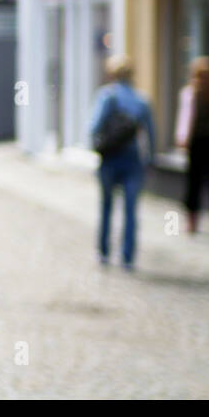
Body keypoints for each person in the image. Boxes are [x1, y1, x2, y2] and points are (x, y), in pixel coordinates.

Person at [89, 54, 155, 270]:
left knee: (106, 206)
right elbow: (151, 136)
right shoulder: (142, 100)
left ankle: (104, 252)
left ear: (112, 74)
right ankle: (127, 258)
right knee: (131, 210)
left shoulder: (107, 96)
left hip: (110, 160)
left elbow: (93, 127)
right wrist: (149, 161)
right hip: (132, 160)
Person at [175, 56, 209, 237]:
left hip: (198, 142)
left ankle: (192, 222)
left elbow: (185, 119)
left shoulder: (191, 93)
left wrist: (182, 139)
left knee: (195, 182)